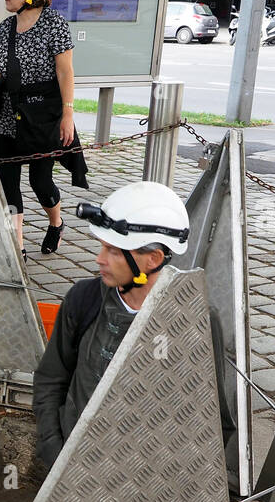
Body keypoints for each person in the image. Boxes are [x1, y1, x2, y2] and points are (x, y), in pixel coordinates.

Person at [32, 183, 236, 475]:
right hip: (72, 470)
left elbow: (210, 417)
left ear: (152, 259)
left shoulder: (195, 319)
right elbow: (51, 378)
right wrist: (54, 452)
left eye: (114, 250)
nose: (100, 259)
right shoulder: (84, 299)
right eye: (103, 247)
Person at [0, 0, 87, 257]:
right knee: (8, 182)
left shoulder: (54, 24)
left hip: (42, 115)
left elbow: (65, 71)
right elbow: (0, 72)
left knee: (40, 181)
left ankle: (55, 223)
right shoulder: (5, 28)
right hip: (7, 116)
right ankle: (16, 247)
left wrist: (68, 114)